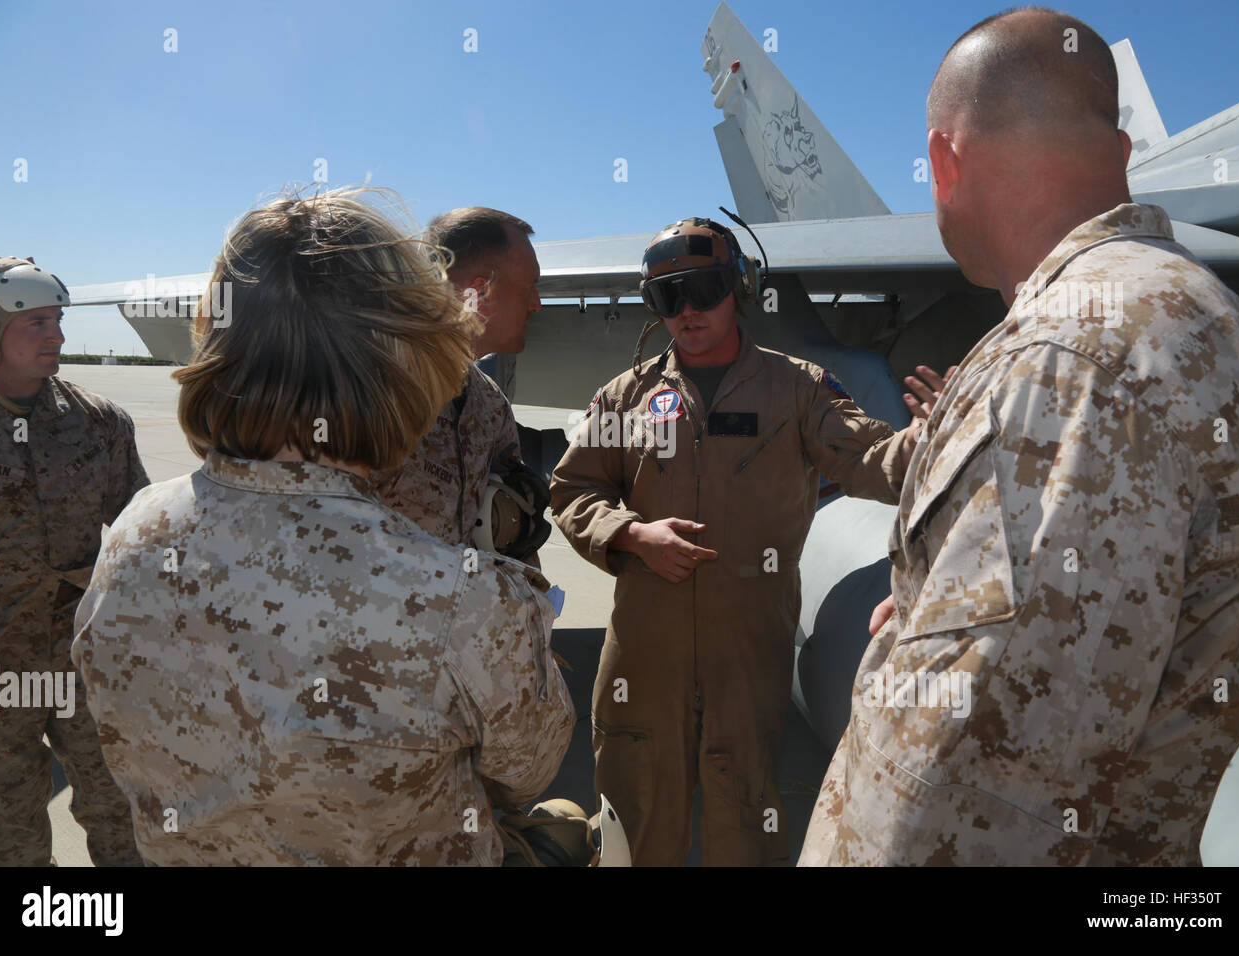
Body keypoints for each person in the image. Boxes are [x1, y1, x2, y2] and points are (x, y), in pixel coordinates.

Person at [801, 7, 1239, 866]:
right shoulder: (1209, 319)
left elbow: (953, 799)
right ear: (1123, 156)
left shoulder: (1063, 356)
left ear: (944, 161)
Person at [72, 188, 575, 865]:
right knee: (567, 828)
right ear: (396, 363)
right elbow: (526, 767)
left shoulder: (132, 537)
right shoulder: (471, 602)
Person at [549, 216, 922, 865]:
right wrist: (632, 534)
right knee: (632, 814)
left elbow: (877, 462)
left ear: (739, 289)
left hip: (748, 651)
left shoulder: (799, 391)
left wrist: (938, 439)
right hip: (644, 648)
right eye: (669, 297)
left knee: (743, 812)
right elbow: (571, 491)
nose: (688, 310)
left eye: (704, 288)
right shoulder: (624, 399)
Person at [0, 255, 146, 866]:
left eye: (58, 319)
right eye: (36, 323)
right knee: (4, 833)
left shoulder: (99, 424)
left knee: (124, 811)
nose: (57, 336)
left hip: (87, 664)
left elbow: (141, 543)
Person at [374, 207, 548, 560]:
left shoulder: (490, 405)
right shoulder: (374, 389)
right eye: (529, 288)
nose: (537, 305)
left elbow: (511, 532)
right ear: (479, 292)